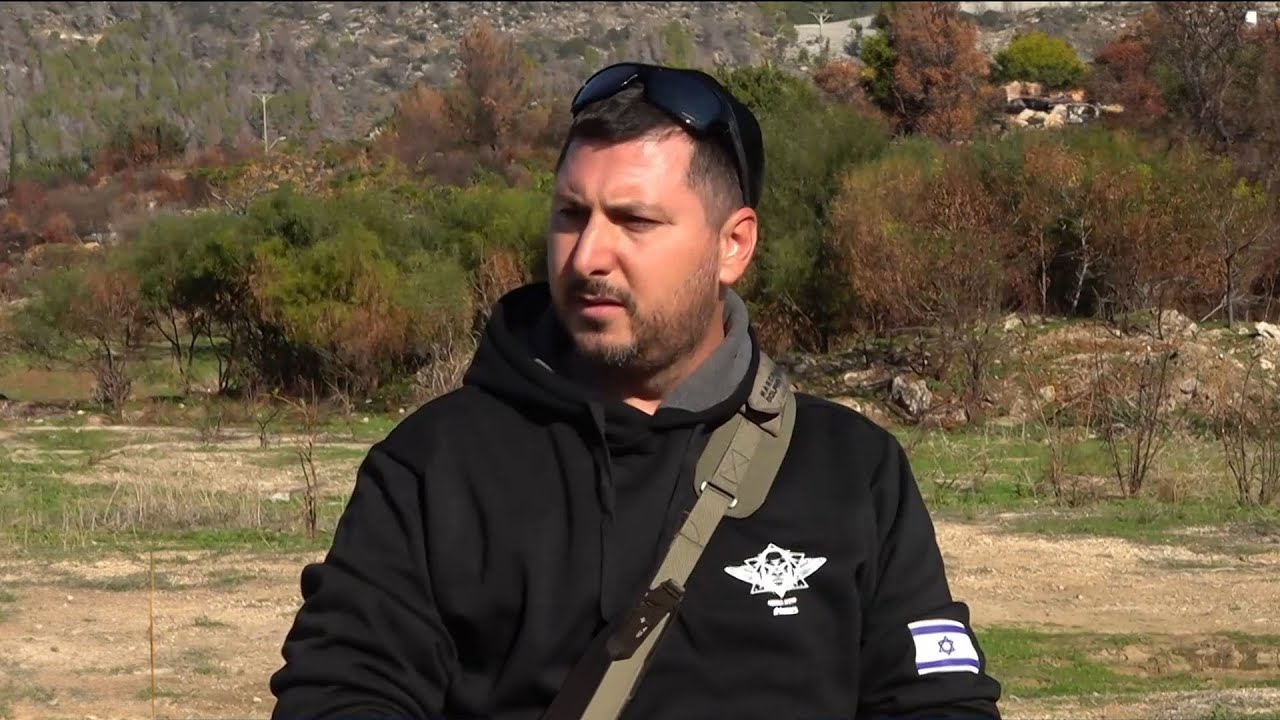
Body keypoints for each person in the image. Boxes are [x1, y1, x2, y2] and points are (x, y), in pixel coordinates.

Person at [268, 62, 1003, 720]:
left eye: (635, 221)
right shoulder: (437, 464)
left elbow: (939, 703)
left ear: (733, 245)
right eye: (570, 215)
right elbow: (338, 691)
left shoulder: (851, 469)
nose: (589, 255)